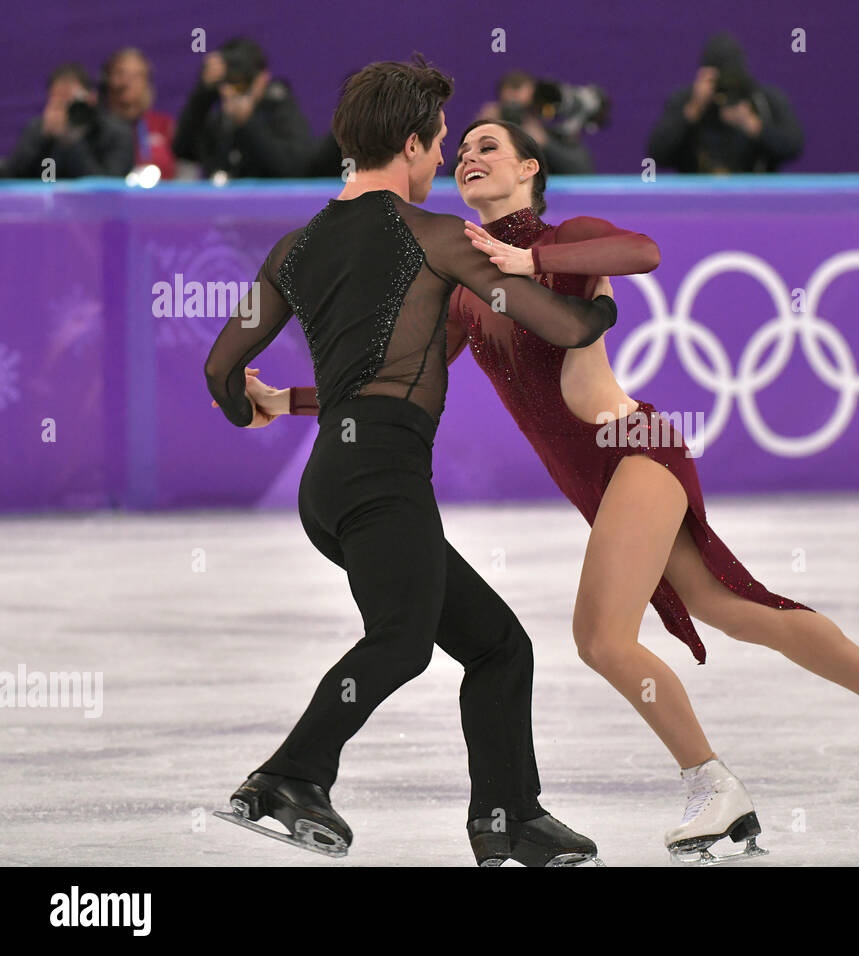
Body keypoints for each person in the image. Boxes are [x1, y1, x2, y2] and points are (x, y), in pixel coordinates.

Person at [256, 119, 859, 864]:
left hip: (630, 447)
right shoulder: (464, 284)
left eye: (490, 148)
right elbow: (400, 382)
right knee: (730, 606)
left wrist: (531, 255)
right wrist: (290, 401)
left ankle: (712, 785)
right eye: (465, 148)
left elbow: (644, 252)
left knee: (602, 638)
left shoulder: (564, 240)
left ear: (530, 168)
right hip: (595, 479)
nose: (471, 157)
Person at [204, 57, 619, 865]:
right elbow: (567, 328)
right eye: (436, 146)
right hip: (385, 474)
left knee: (499, 646)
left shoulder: (294, 248)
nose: (441, 162)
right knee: (401, 640)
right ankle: (287, 777)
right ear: (409, 143)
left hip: (332, 483)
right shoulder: (438, 238)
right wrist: (600, 298)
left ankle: (510, 820)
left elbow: (221, 370)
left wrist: (254, 403)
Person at [646, 32, 803, 173]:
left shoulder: (763, 100)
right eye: (718, 80)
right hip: (699, 197)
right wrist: (693, 111)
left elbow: (793, 146)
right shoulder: (687, 101)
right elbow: (657, 154)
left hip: (754, 196)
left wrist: (752, 125)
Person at [172, 37, 313, 178]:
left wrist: (249, 122)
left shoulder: (280, 109)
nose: (229, 92)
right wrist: (203, 93)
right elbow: (183, 150)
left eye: (240, 84)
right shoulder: (219, 119)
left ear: (262, 79)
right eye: (226, 82)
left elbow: (294, 169)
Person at [3, 63, 134, 179]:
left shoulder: (117, 133)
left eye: (72, 102)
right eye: (60, 103)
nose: (65, 111)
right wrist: (43, 139)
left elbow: (108, 186)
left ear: (91, 98)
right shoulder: (38, 130)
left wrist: (71, 142)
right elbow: (12, 178)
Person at [102, 47, 177, 179]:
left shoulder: (164, 125)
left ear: (147, 83)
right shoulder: (97, 128)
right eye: (120, 74)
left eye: (136, 76)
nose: (127, 82)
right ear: (108, 80)